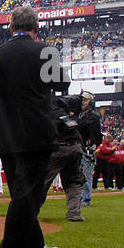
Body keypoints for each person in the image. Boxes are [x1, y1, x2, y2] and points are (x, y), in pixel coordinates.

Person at [0, 5, 65, 248]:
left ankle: (33, 243)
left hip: (7, 133)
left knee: (21, 191)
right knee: (28, 194)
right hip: (37, 131)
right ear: (36, 28)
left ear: (11, 27)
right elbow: (60, 84)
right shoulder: (46, 51)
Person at [43, 94, 86, 222]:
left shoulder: (50, 113)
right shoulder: (69, 117)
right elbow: (79, 131)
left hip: (59, 150)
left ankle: (29, 212)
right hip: (75, 148)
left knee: (42, 182)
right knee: (74, 182)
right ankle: (74, 213)